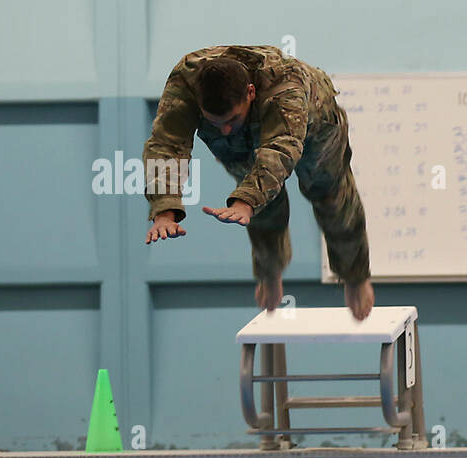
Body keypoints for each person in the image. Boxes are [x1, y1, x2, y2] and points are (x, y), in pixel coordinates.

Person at [142, 45, 375, 320]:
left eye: (230, 119)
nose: (225, 129)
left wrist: (246, 201)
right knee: (260, 199)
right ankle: (269, 270)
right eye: (216, 122)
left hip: (314, 119)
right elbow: (166, 145)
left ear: (251, 93)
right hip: (248, 129)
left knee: (328, 193)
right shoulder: (185, 83)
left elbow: (280, 150)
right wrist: (164, 210)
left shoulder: (285, 84)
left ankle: (355, 274)